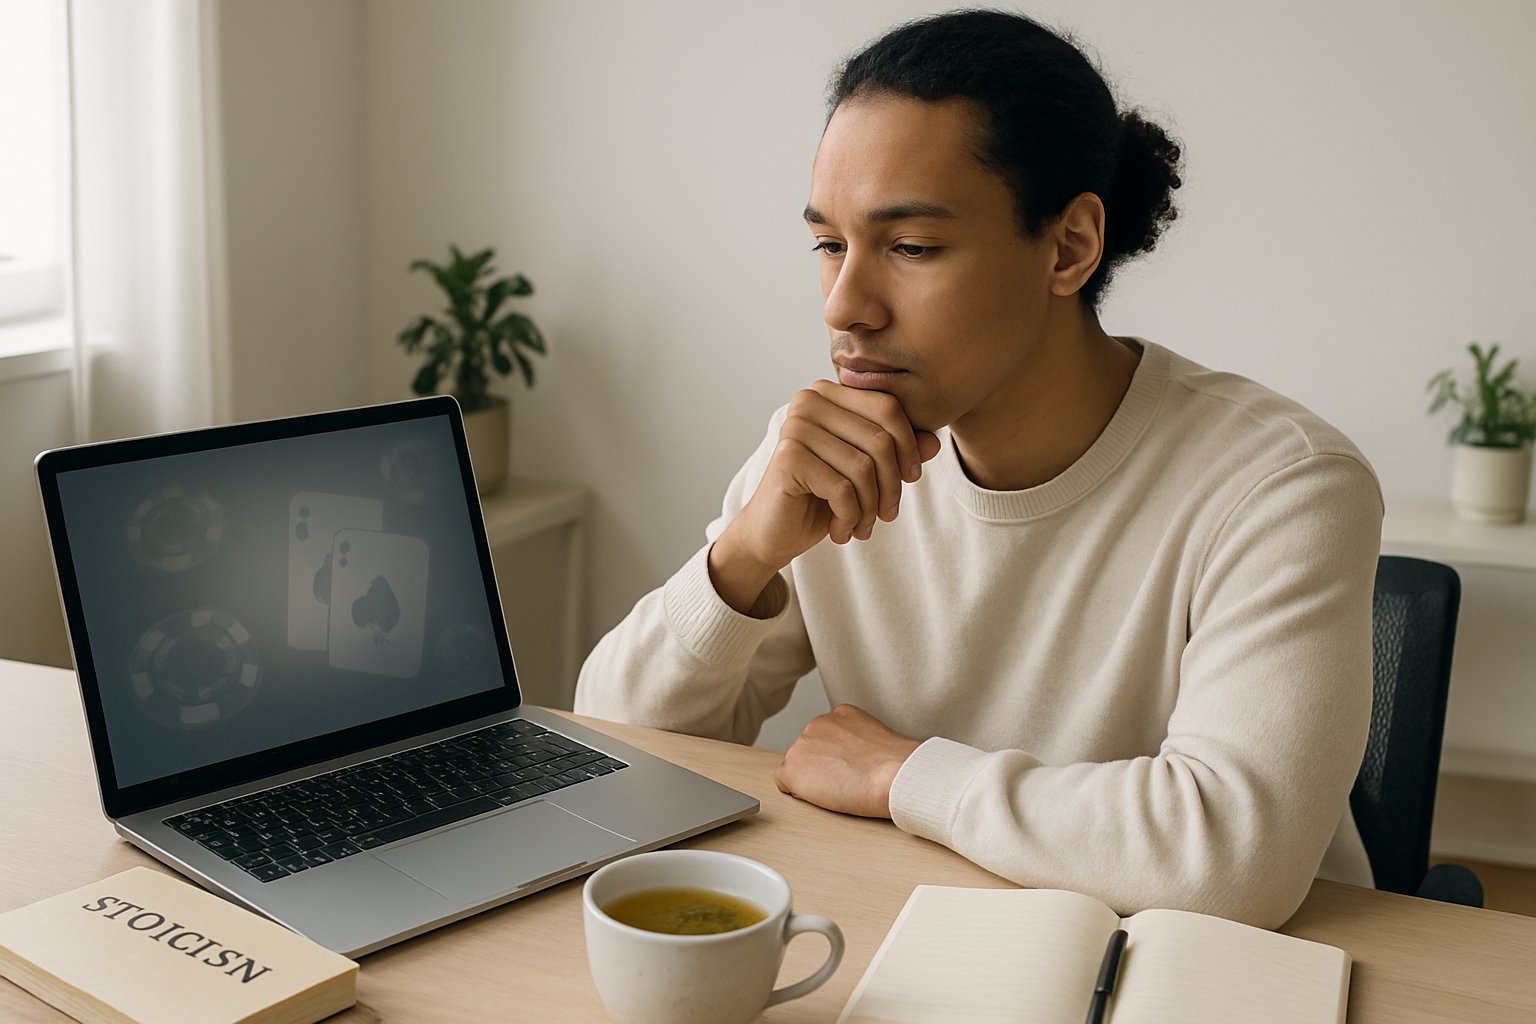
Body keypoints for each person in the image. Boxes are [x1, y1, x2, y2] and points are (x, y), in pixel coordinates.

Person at [574, 9, 1381, 929]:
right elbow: (618, 742)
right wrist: (744, 559)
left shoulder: (1281, 484)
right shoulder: (825, 456)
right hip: (929, 928)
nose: (845, 306)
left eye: (911, 248)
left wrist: (902, 773)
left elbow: (1230, 861)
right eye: (829, 245)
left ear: (1069, 246)